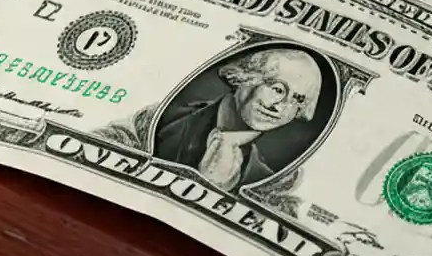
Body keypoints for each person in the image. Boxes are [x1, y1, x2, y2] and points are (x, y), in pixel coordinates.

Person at [98, 48, 323, 189]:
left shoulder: (264, 178)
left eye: (298, 100)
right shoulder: (162, 119)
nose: (280, 108)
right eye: (277, 89)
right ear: (245, 78)